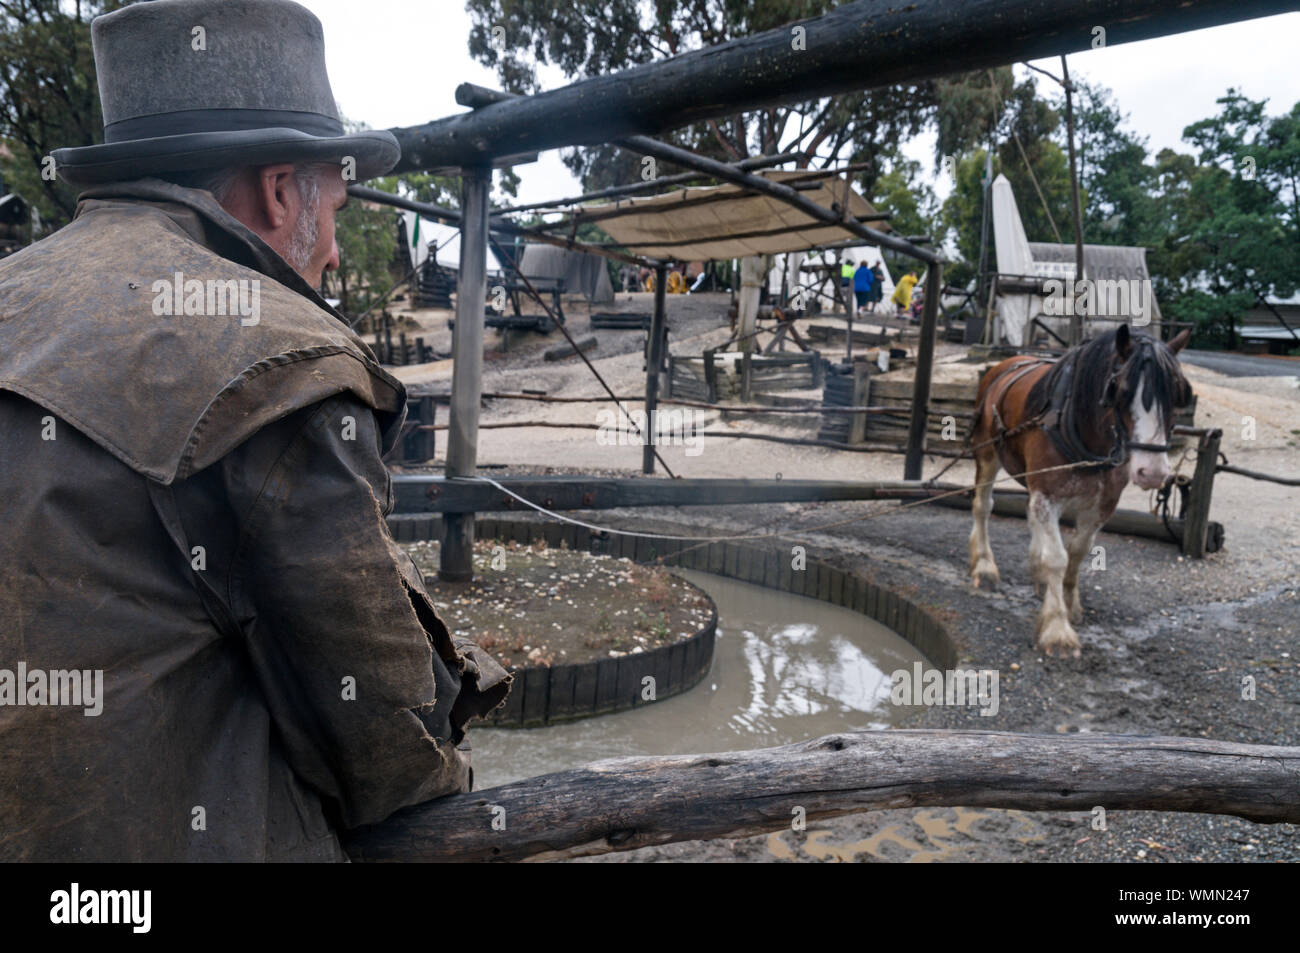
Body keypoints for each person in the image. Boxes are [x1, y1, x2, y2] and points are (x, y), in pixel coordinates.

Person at [0, 0, 510, 862]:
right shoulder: (278, 357)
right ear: (280, 191)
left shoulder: (15, 291)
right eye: (339, 209)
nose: (338, 254)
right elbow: (380, 739)